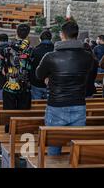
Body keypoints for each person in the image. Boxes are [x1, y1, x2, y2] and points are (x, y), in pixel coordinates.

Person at [36, 21, 95, 156]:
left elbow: (39, 75)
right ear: (77, 35)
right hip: (79, 104)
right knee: (77, 150)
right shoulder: (88, 56)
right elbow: (86, 75)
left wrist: (49, 80)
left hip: (56, 105)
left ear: (62, 35)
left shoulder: (51, 56)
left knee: (54, 149)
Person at [0, 24, 33, 110]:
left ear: (16, 33)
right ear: (28, 34)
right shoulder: (31, 50)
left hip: (10, 85)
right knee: (23, 115)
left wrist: (4, 72)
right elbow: (33, 69)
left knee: (9, 114)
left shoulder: (6, 49)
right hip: (25, 87)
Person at [29, 31, 54, 100]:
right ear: (51, 39)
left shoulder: (34, 50)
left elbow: (30, 66)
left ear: (40, 39)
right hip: (52, 83)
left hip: (36, 82)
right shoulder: (55, 50)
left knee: (35, 105)